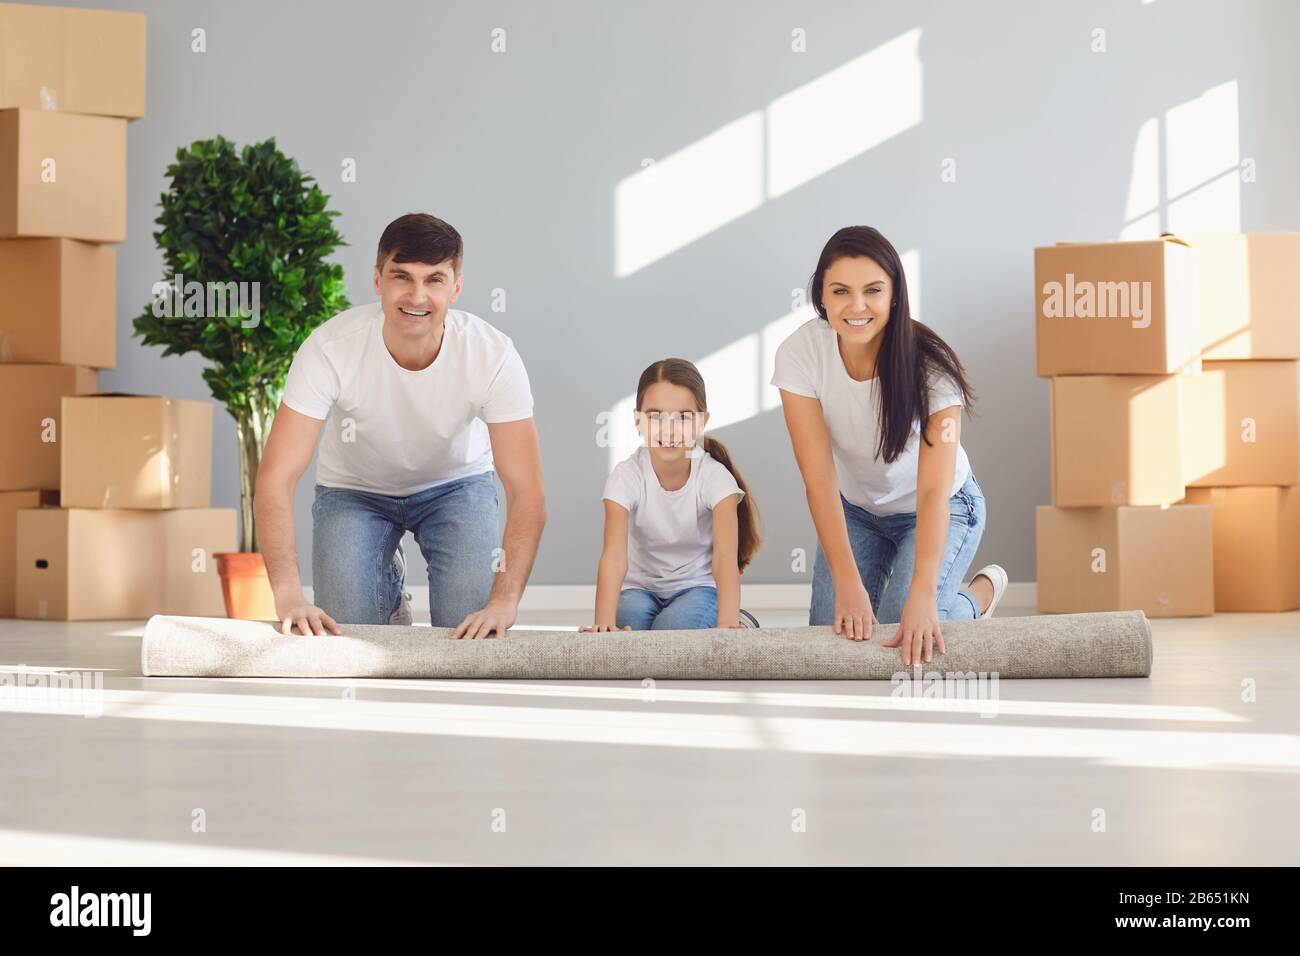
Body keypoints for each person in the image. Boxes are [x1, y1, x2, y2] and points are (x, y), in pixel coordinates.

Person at [255, 213, 546, 639]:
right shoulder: (329, 349)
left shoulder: (493, 355)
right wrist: (287, 594)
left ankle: (395, 569)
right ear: (378, 280)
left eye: (434, 280)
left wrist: (505, 601)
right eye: (401, 277)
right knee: (349, 636)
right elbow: (276, 477)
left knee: (470, 635)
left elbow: (528, 491)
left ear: (456, 288)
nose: (417, 295)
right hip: (355, 491)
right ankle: (385, 578)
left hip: (455, 486)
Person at [771, 226, 1007, 665]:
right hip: (858, 511)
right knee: (832, 637)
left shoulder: (933, 370)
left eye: (873, 291)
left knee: (906, 630)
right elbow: (818, 478)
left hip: (942, 506)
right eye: (840, 291)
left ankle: (975, 598)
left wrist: (923, 595)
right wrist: (846, 583)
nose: (857, 306)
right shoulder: (799, 354)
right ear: (821, 296)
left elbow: (933, 491)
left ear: (894, 294)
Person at [582, 359, 762, 631]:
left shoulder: (715, 478)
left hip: (698, 587)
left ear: (702, 422)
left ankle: (739, 619)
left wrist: (727, 624)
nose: (669, 430)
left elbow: (725, 558)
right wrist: (604, 625)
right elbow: (614, 556)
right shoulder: (626, 476)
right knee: (629, 625)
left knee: (672, 629)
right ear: (638, 421)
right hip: (640, 589)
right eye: (655, 416)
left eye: (684, 417)